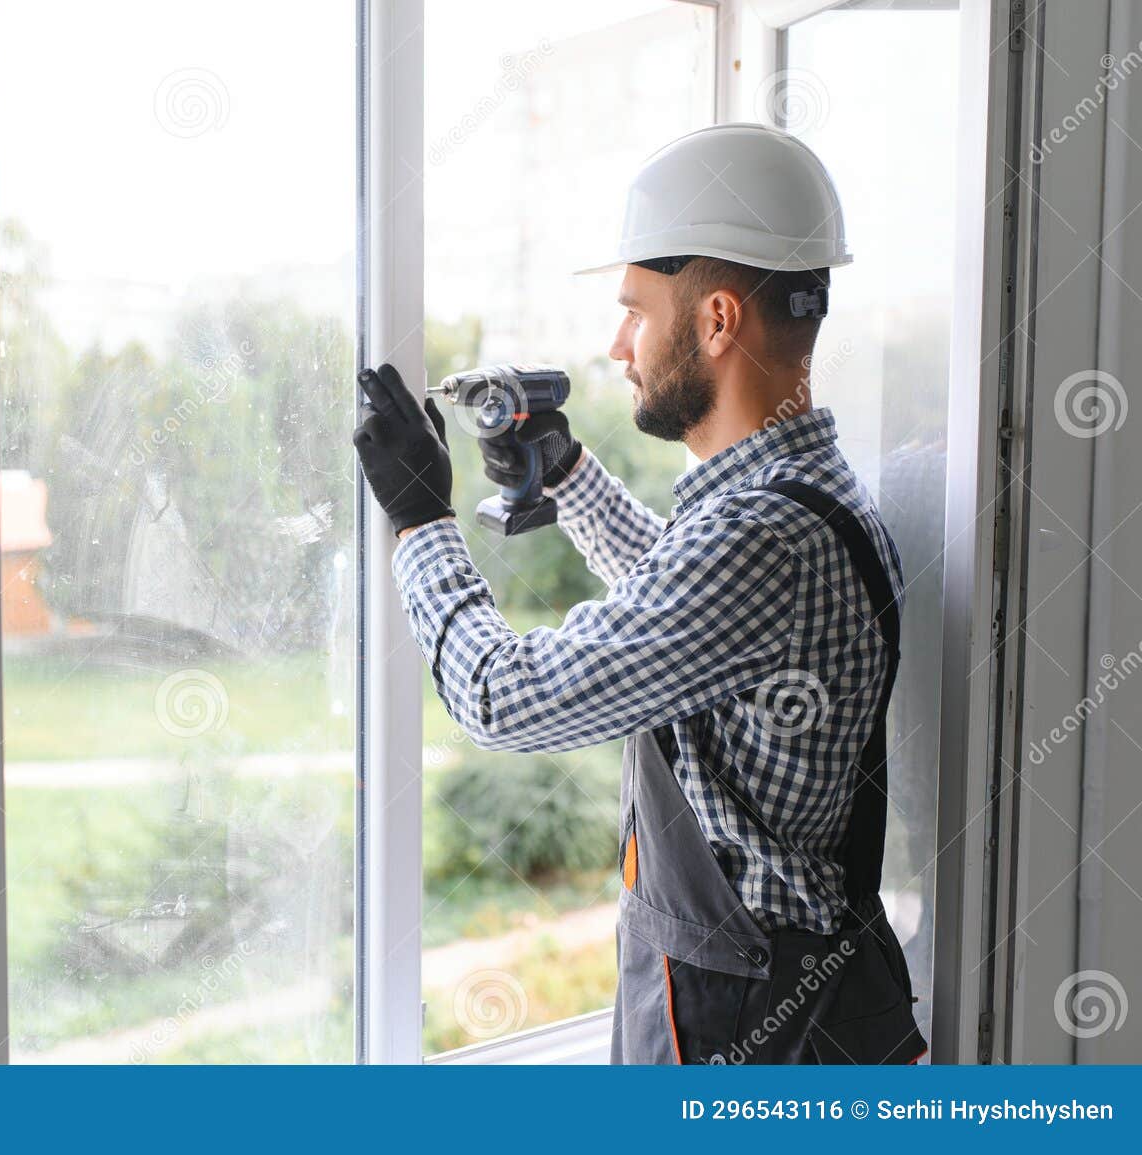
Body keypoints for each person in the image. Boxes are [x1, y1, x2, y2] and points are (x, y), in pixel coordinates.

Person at [352, 123, 925, 1064]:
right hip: (789, 991)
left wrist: (422, 522)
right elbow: (688, 622)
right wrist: (567, 471)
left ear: (716, 322)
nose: (617, 344)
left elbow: (501, 695)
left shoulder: (755, 540)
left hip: (738, 1013)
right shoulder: (812, 498)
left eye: (635, 311)